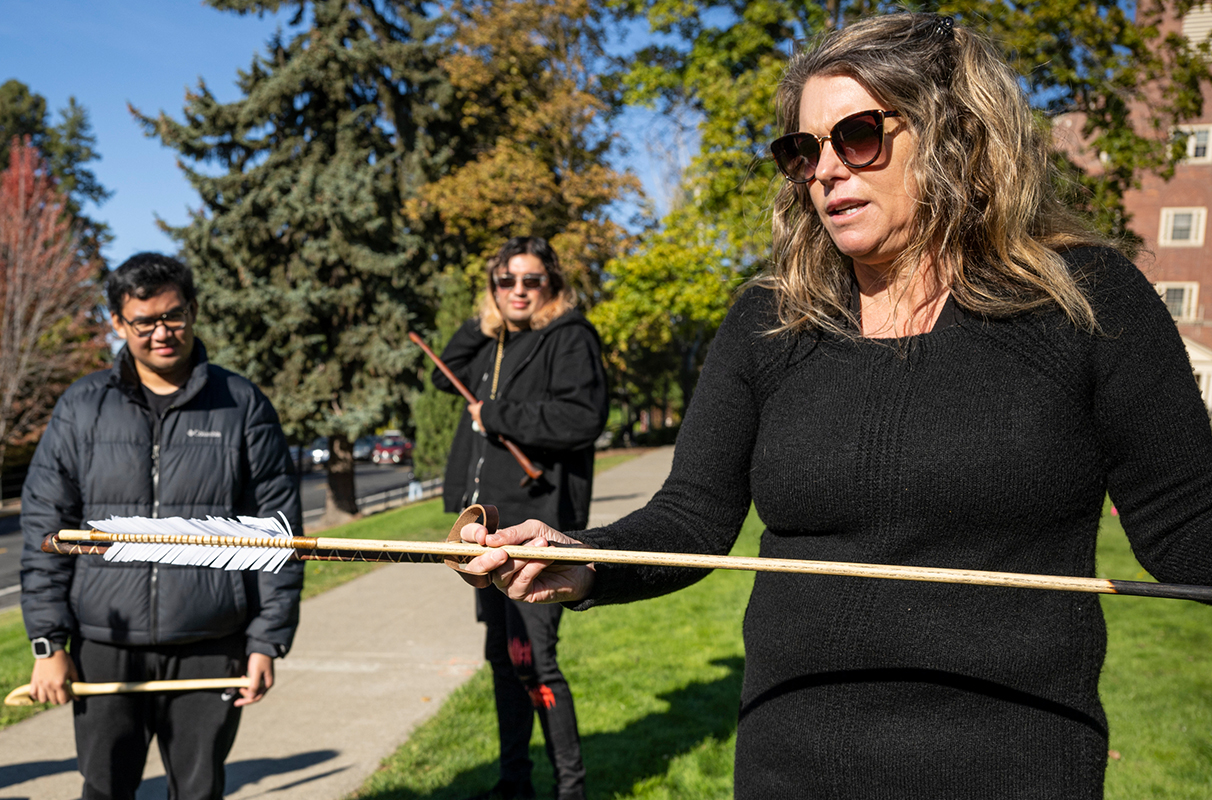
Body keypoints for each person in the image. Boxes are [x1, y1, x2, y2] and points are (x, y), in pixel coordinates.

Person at [455, 14, 1212, 799]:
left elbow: (1188, 518)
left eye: (857, 136)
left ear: (954, 133)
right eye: (803, 149)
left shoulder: (1087, 301)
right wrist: (582, 557)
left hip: (1013, 769)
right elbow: (692, 515)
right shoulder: (768, 320)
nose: (824, 170)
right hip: (789, 767)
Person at [20, 252, 304, 800]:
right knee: (104, 789)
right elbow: (45, 531)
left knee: (199, 792)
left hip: (211, 643)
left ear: (193, 310)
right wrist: (48, 644)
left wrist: (267, 641)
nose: (161, 333)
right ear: (117, 323)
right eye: (143, 322)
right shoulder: (81, 407)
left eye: (173, 316)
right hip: (106, 645)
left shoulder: (242, 404)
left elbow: (277, 536)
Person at [433, 236, 608, 800]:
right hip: (484, 532)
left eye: (531, 280)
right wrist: (485, 319)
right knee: (502, 660)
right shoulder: (498, 342)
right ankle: (514, 783)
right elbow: (442, 372)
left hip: (535, 529)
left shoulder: (570, 336)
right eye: (505, 280)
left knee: (534, 662)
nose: (518, 291)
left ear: (552, 283)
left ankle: (570, 791)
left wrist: (497, 414)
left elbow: (582, 417)